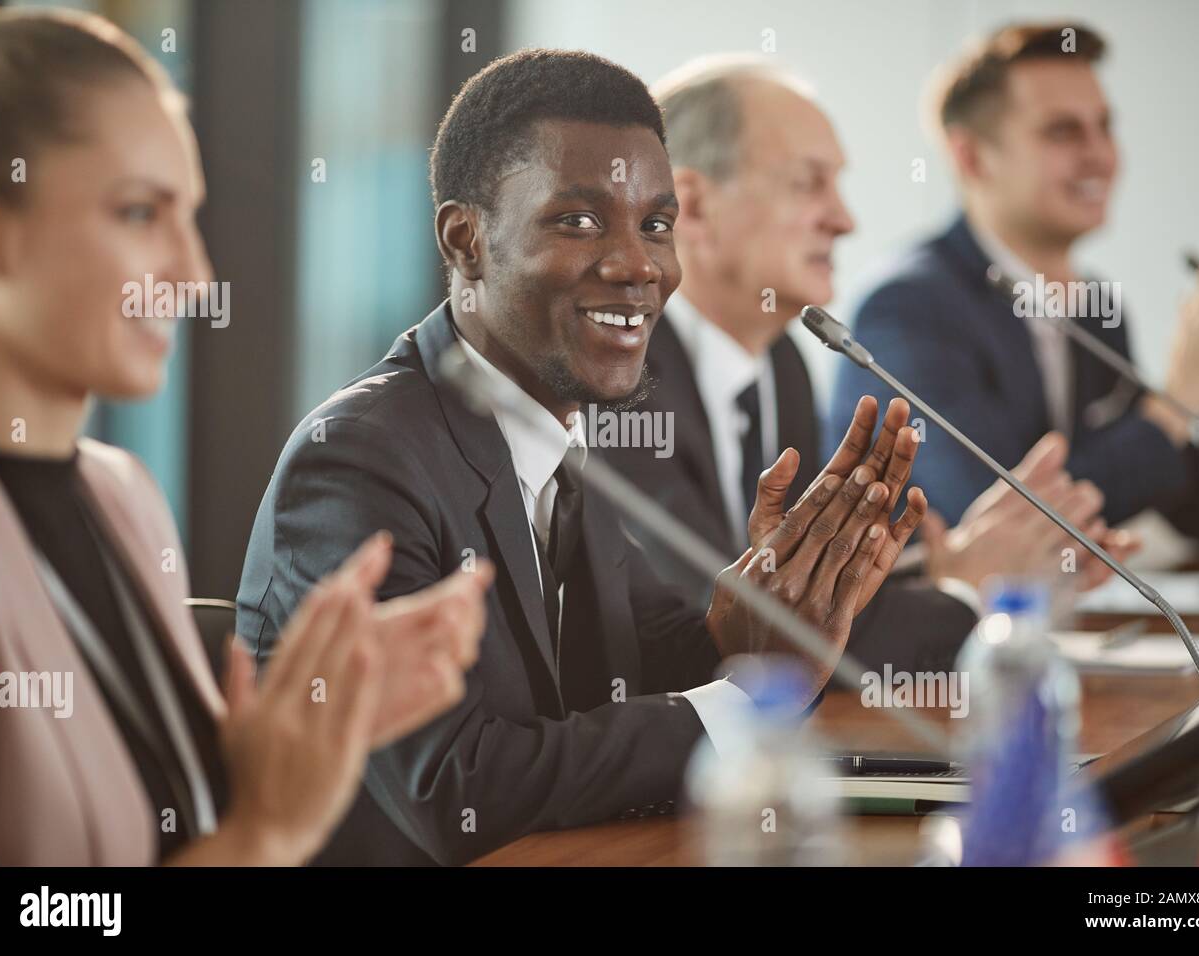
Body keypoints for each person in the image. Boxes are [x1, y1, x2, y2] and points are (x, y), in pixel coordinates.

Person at [237, 49, 931, 866]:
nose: (639, 266)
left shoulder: (562, 437)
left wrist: (758, 620)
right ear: (466, 241)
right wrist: (743, 696)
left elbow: (640, 663)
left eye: (656, 225)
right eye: (578, 221)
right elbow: (455, 787)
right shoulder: (361, 459)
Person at [0, 8, 488, 866]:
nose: (194, 273)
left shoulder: (122, 496)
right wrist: (264, 830)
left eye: (191, 217)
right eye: (140, 213)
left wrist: (279, 758)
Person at [599, 55, 1132, 655]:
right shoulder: (618, 377)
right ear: (692, 205)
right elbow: (723, 629)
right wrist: (964, 592)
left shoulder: (783, 365)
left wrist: (942, 572)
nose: (845, 220)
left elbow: (804, 590)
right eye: (808, 183)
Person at [831, 22, 1199, 548]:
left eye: (1104, 127)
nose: (1100, 155)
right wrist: (1178, 400)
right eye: (1063, 131)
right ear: (970, 156)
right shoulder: (908, 307)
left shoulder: (1096, 308)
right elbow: (991, 515)